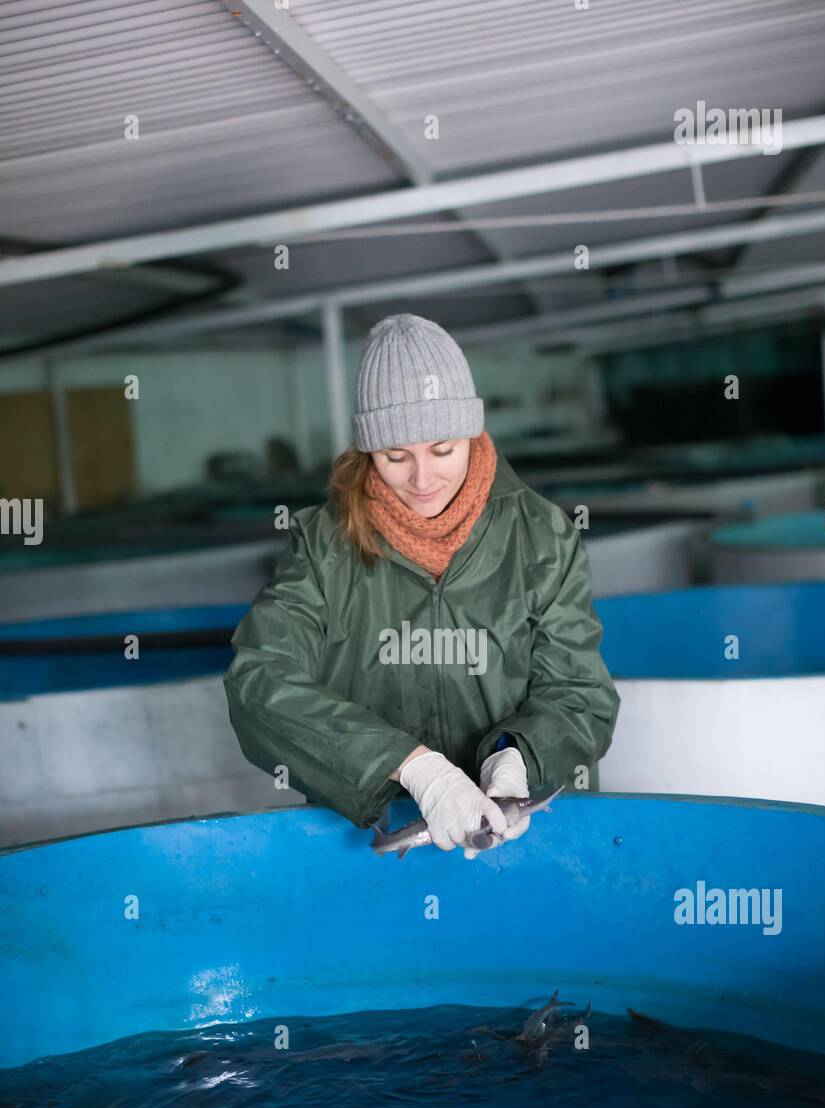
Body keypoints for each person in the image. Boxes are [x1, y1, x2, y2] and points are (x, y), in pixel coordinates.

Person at [224, 313, 619, 858]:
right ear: (368, 454)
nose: (423, 479)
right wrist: (415, 769)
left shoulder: (542, 535)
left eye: (442, 449)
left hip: (528, 843)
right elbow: (259, 683)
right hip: (383, 835)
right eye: (395, 457)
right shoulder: (322, 546)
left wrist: (518, 759)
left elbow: (581, 693)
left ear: (473, 433)